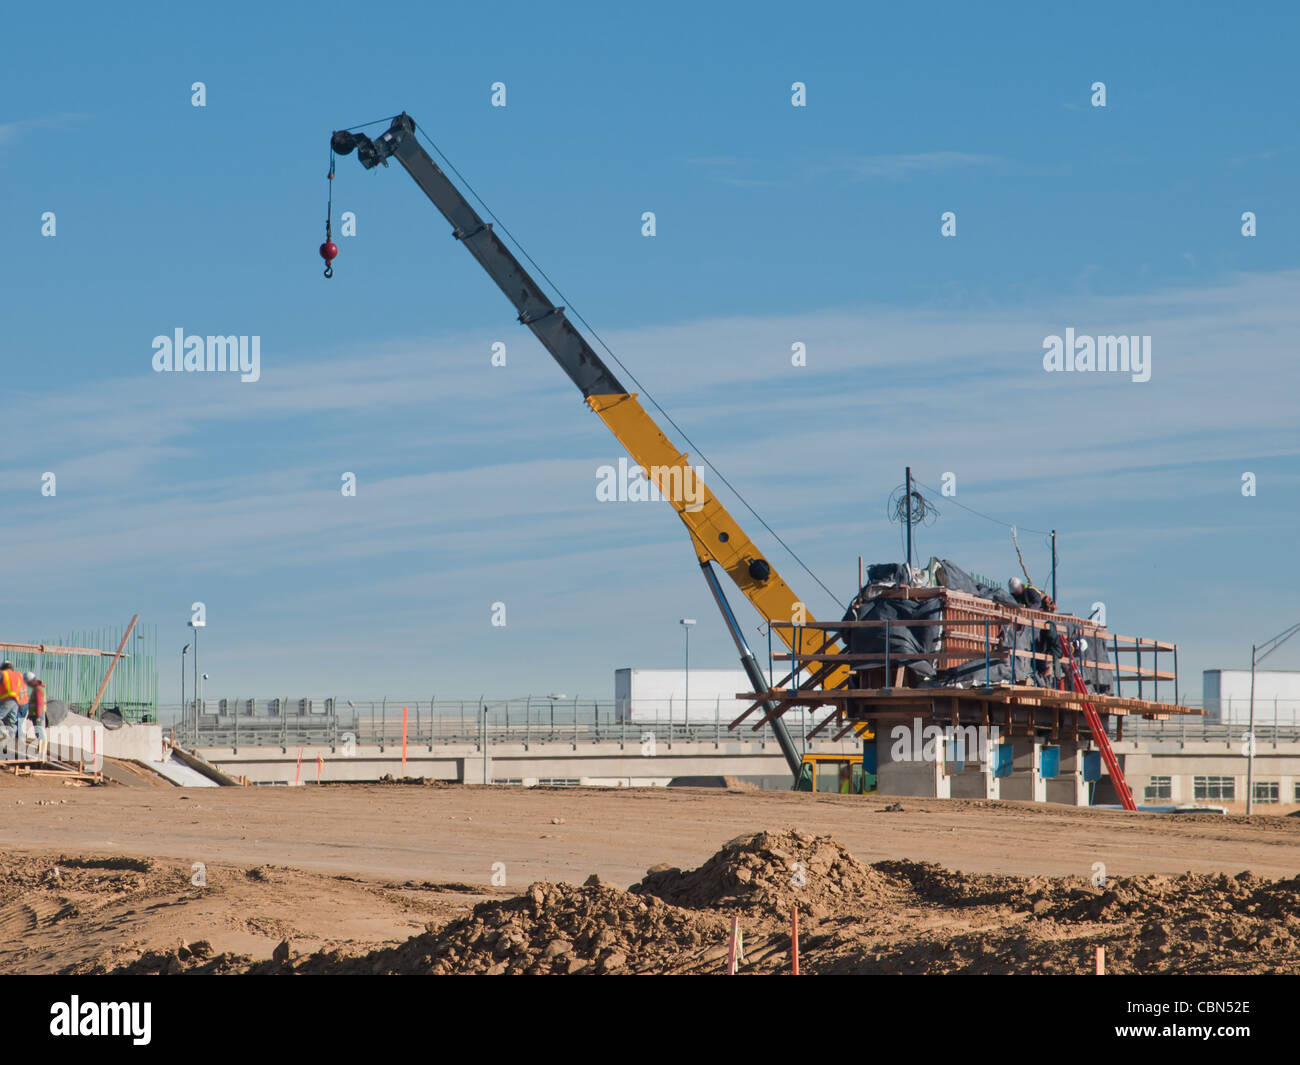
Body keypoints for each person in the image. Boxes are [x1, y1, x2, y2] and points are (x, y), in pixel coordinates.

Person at [0, 662, 29, 755]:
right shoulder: (18, 675)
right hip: (17, 701)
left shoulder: (2, 674)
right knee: (11, 722)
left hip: (6, 698)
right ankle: (9, 744)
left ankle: (4, 734)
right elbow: (22, 689)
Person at [23, 672, 47, 761]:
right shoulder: (37, 688)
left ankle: (42, 754)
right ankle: (41, 752)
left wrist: (37, 715)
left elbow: (39, 703)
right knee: (39, 732)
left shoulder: (37, 689)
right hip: (36, 714)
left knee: (40, 732)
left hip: (38, 714)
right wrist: (30, 713)